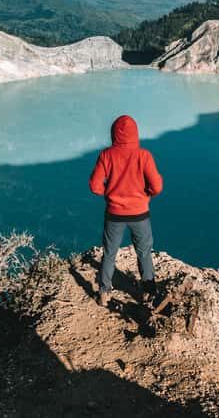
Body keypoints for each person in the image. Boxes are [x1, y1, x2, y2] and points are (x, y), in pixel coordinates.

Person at [88, 114, 163, 306]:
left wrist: (110, 194)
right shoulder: (143, 155)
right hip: (140, 214)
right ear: (135, 134)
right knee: (144, 253)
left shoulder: (106, 155)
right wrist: (146, 195)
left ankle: (104, 292)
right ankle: (149, 292)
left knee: (109, 253)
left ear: (114, 133)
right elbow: (157, 186)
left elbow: (95, 186)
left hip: (114, 214)